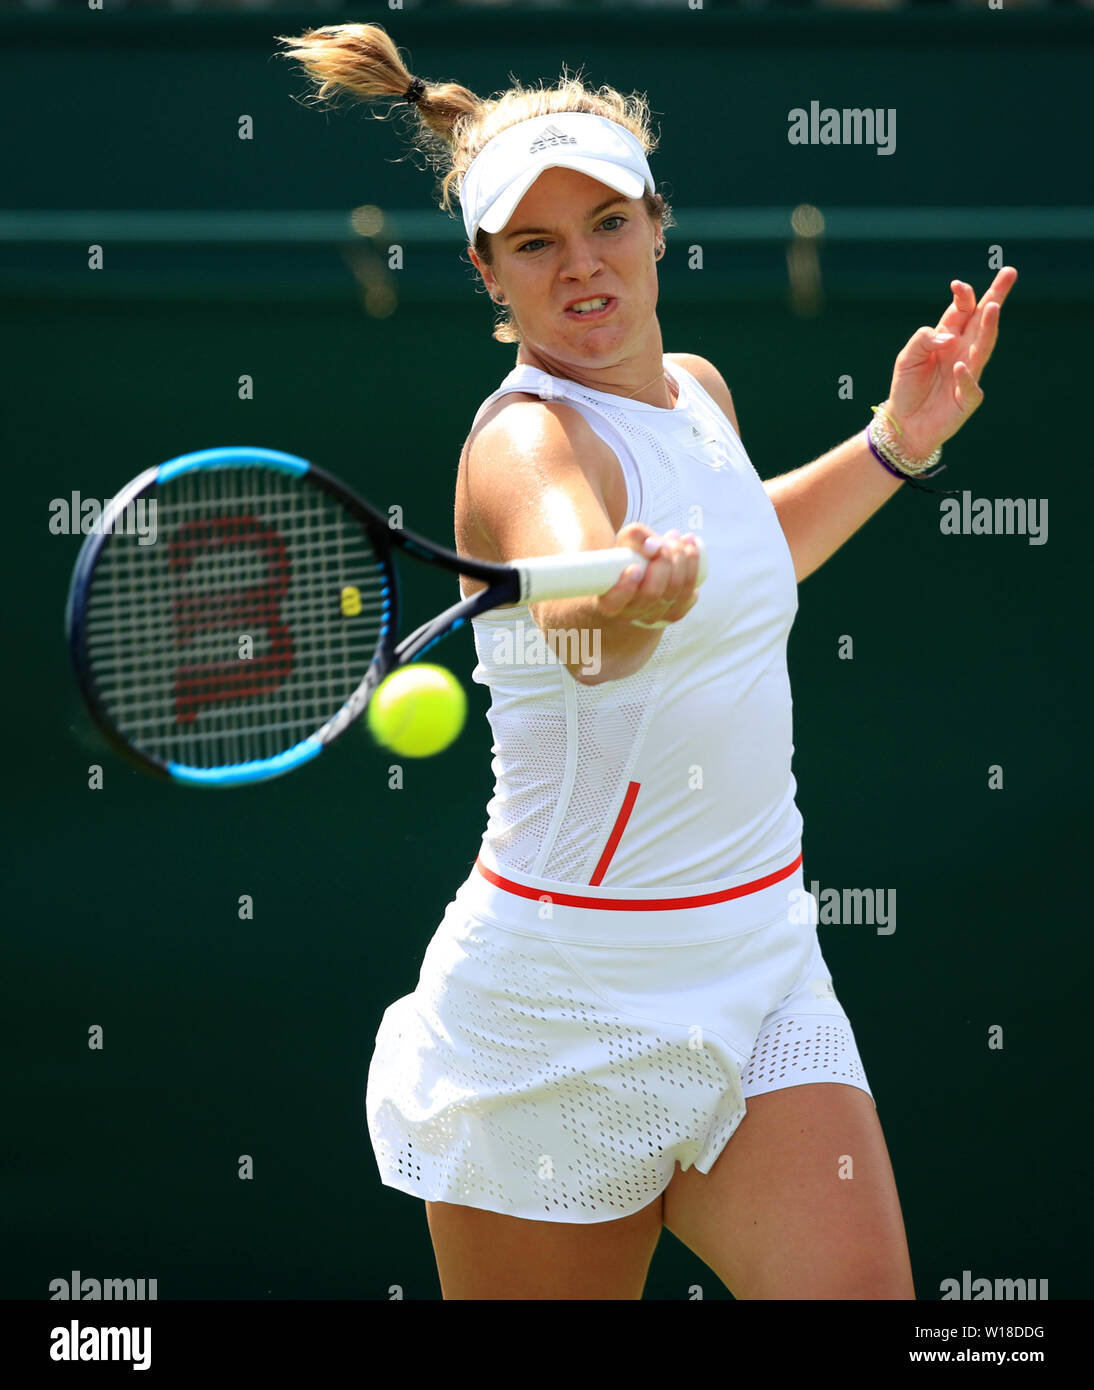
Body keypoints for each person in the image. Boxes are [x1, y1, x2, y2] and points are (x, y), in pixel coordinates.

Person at [275, 23, 1016, 1301]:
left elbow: (744, 553)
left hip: (761, 961)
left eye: (607, 222)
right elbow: (578, 613)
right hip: (560, 1005)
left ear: (657, 226)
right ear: (486, 273)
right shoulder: (522, 448)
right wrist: (627, 603)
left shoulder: (697, 389)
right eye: (533, 244)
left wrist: (896, 440)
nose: (580, 268)